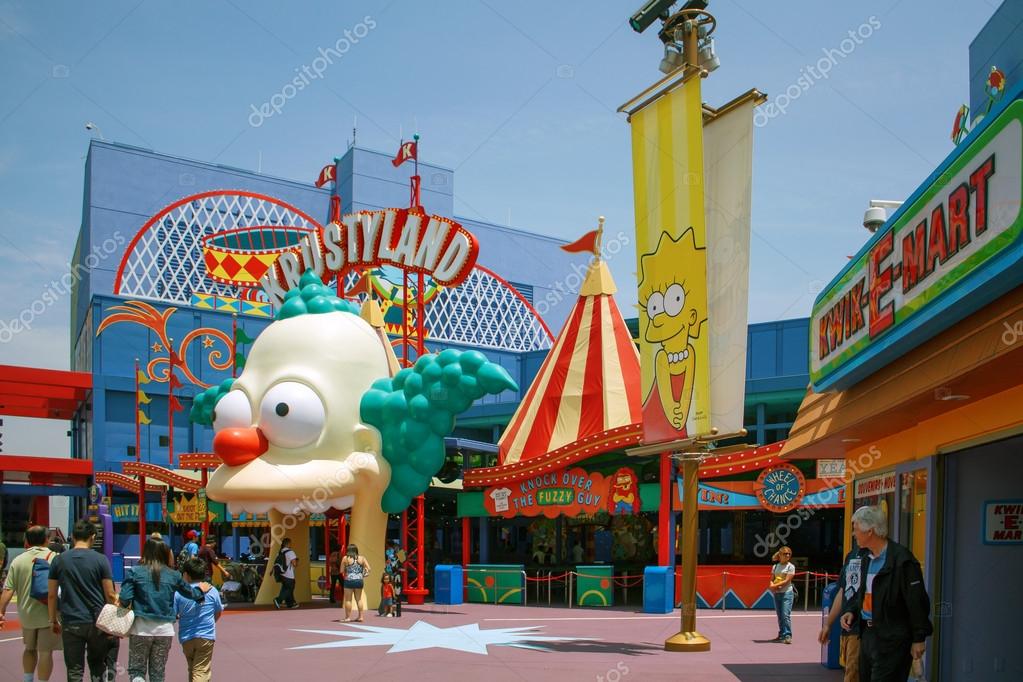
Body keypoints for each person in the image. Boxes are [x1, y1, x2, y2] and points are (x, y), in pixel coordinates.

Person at [841, 505, 933, 682]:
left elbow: (916, 601)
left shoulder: (902, 560)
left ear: (870, 531)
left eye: (856, 529)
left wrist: (918, 637)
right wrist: (851, 611)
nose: (854, 534)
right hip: (868, 635)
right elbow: (865, 593)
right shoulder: (866, 558)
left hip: (893, 639)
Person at [119, 538, 211, 682]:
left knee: (137, 670)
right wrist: (201, 590)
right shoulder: (173, 575)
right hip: (164, 630)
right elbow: (192, 594)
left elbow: (125, 598)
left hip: (140, 628)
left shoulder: (135, 572)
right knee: (158, 672)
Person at [47, 519, 120, 682]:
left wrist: (53, 620)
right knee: (97, 666)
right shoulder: (101, 560)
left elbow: (51, 594)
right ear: (93, 537)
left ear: (72, 536)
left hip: (71, 620)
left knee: (74, 670)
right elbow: (110, 594)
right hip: (97, 621)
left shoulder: (59, 560)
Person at [0, 525, 62, 682]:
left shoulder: (18, 560)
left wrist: (1, 611)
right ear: (47, 539)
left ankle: (27, 679)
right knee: (46, 652)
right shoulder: (55, 558)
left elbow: (8, 590)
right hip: (49, 613)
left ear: (26, 540)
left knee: (29, 649)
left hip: (27, 614)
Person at [175, 558, 224, 682]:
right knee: (201, 670)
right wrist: (211, 622)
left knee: (193, 669)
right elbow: (218, 611)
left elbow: (174, 614)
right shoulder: (212, 591)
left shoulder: (179, 593)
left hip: (186, 637)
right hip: (206, 635)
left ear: (186, 575)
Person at [819, 540, 862, 682]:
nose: (854, 534)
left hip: (864, 629)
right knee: (850, 670)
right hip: (847, 626)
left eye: (856, 527)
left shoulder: (877, 557)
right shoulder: (851, 556)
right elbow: (842, 591)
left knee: (854, 671)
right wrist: (828, 624)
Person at [769, 546, 796, 644]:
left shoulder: (791, 566)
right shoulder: (775, 566)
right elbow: (772, 578)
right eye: (785, 554)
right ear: (780, 555)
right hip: (777, 593)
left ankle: (788, 635)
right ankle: (781, 634)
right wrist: (772, 585)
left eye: (789, 554)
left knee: (785, 615)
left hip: (787, 593)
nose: (787, 555)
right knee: (780, 615)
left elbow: (787, 580)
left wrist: (774, 586)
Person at [340, 544, 370, 622]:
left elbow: (341, 571)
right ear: (356, 550)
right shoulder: (362, 558)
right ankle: (361, 617)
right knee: (359, 599)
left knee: (348, 600)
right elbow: (369, 568)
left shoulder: (345, 558)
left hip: (349, 580)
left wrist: (347, 570)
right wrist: (364, 572)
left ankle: (347, 617)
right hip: (359, 581)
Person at [273, 538, 298, 610]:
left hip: (281, 574)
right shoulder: (290, 552)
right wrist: (296, 562)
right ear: (288, 544)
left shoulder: (279, 552)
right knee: (290, 588)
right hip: (289, 574)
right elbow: (294, 563)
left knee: (285, 588)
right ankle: (278, 600)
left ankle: (290, 604)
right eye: (291, 543)